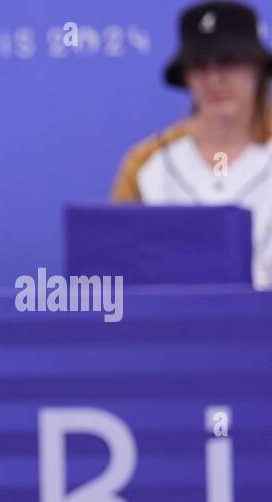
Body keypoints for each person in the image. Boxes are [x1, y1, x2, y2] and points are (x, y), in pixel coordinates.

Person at [111, 1, 272, 287]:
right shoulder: (147, 163)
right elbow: (118, 272)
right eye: (199, 65)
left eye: (228, 61)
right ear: (185, 75)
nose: (213, 79)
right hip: (173, 328)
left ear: (257, 67)